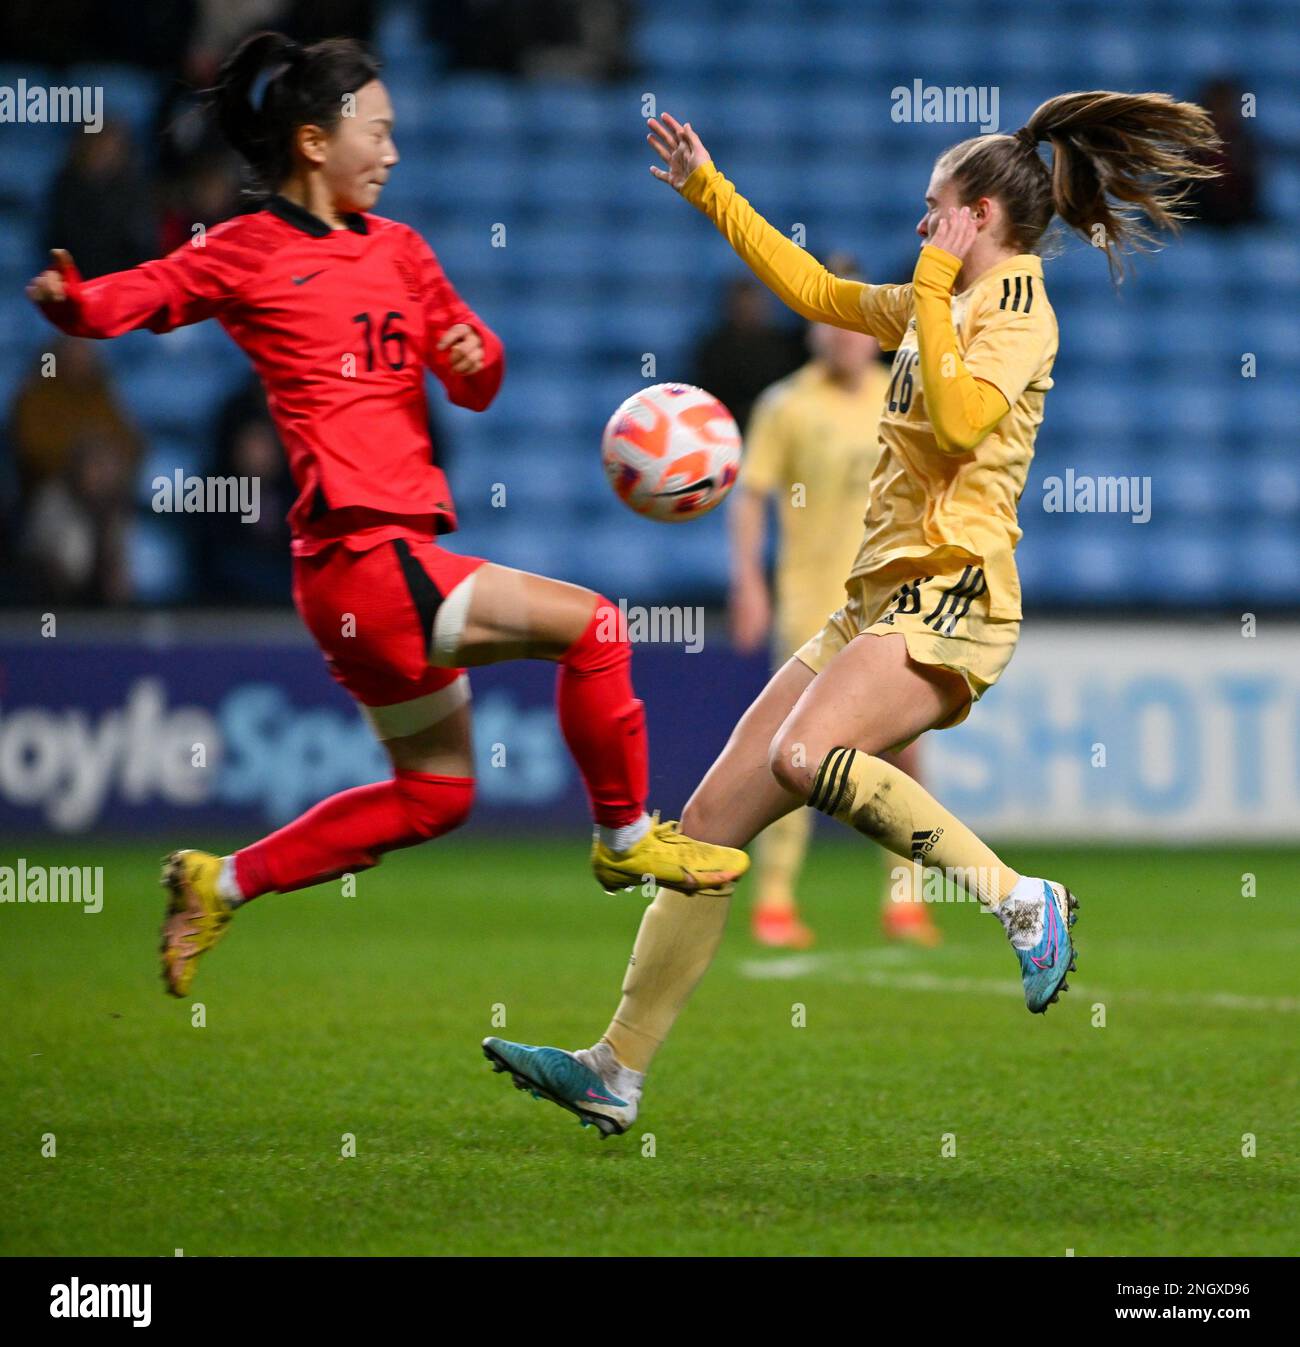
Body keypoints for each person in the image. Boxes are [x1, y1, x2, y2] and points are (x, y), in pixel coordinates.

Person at [484, 93, 1222, 1135]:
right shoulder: (940, 297)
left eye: (934, 208)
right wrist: (709, 189)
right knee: (706, 831)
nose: (921, 225)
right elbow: (820, 291)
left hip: (957, 588)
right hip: (874, 599)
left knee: (801, 758)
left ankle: (1020, 899)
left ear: (978, 214)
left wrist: (927, 285)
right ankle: (617, 1069)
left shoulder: (1014, 307)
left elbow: (964, 426)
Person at [28, 32, 748, 999]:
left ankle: (221, 879)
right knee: (600, 628)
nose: (395, 152)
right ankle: (624, 838)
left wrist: (467, 351)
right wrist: (75, 304)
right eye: (381, 130)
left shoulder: (404, 252)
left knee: (437, 794)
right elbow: (151, 293)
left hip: (359, 574)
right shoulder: (246, 249)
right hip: (367, 555)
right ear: (317, 142)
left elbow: (483, 377)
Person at [730, 255, 939, 949]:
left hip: (890, 603)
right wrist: (748, 581)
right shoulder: (786, 405)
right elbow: (750, 495)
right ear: (815, 330)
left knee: (904, 752)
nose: (846, 336)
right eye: (833, 321)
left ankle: (905, 897)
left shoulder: (899, 393)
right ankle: (776, 900)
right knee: (791, 752)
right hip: (811, 606)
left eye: (857, 323)